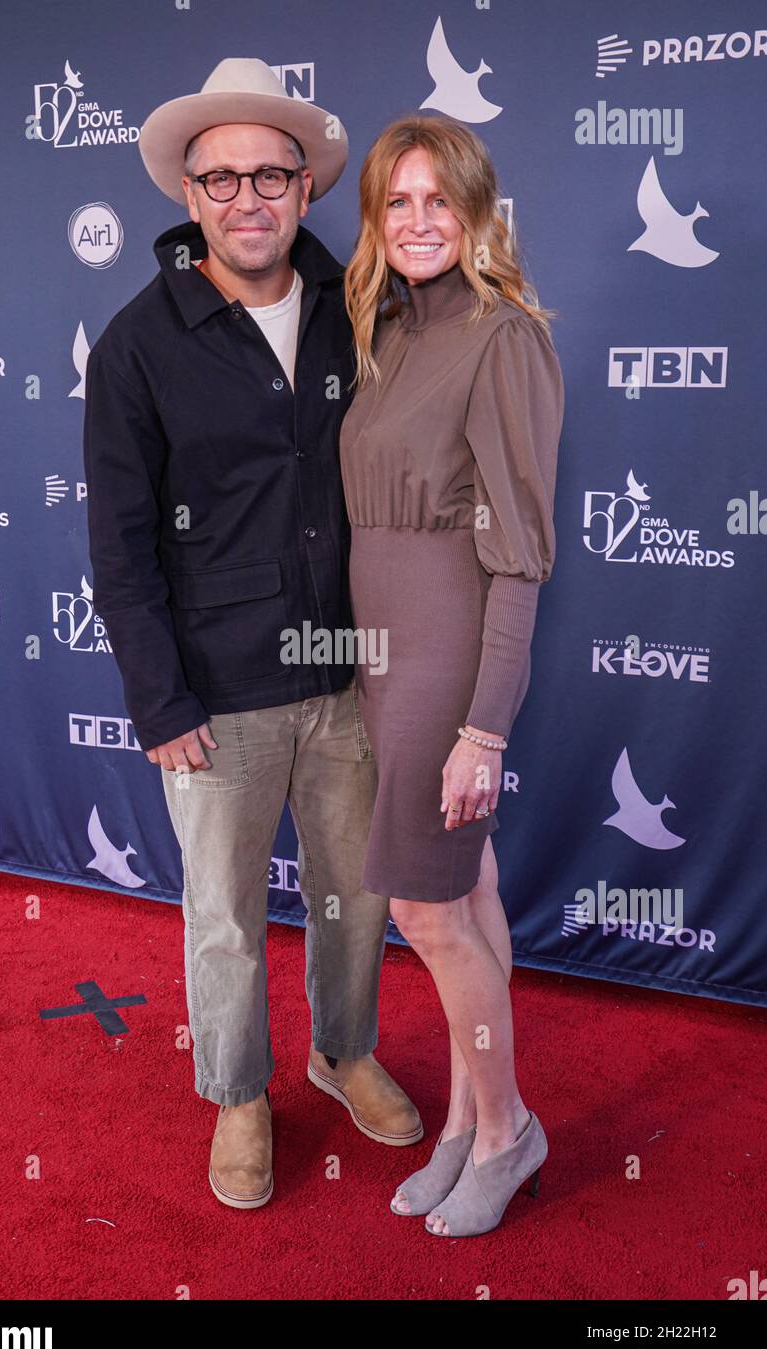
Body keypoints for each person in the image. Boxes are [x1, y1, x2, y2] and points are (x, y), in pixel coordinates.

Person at [83, 59, 422, 1213]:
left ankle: (342, 1050)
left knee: (353, 898)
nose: (246, 198)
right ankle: (237, 1093)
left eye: (269, 174)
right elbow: (120, 541)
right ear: (188, 196)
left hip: (349, 678)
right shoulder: (136, 343)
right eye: (220, 177)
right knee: (223, 914)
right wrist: (158, 701)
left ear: (305, 186)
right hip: (216, 692)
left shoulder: (359, 303)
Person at [339, 113, 565, 1237]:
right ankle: (469, 1122)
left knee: (426, 908)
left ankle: (507, 1126)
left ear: (477, 214)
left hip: (443, 658)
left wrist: (484, 728)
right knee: (468, 893)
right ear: (375, 219)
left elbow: (518, 554)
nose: (418, 222)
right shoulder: (383, 331)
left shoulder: (500, 335)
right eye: (397, 202)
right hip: (377, 657)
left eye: (441, 200)